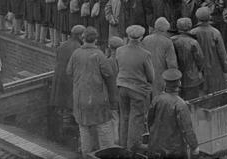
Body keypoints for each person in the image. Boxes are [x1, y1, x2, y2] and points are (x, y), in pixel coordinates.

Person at [66, 27, 118, 156]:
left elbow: (69, 71)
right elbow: (108, 73)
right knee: (104, 129)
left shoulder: (76, 53)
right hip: (98, 99)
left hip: (80, 99)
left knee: (84, 130)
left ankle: (87, 156)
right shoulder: (99, 54)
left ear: (83, 38)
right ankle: (106, 155)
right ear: (96, 40)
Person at [115, 24, 154, 152]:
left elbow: (118, 67)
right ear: (141, 37)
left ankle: (123, 144)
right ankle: (134, 146)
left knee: (124, 116)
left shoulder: (119, 50)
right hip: (138, 90)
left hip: (122, 87)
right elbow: (151, 77)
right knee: (136, 118)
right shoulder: (145, 54)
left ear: (128, 36)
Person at [147, 68, 200, 158]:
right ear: (179, 83)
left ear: (165, 84)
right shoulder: (180, 105)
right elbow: (187, 129)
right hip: (174, 151)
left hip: (155, 149)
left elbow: (149, 122)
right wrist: (194, 147)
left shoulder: (156, 99)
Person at [50, 24, 85, 142]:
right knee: (72, 104)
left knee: (64, 104)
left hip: (60, 78)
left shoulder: (63, 44)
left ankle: (64, 128)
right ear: (79, 36)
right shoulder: (78, 48)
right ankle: (71, 132)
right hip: (70, 79)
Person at [190, 6, 227, 93]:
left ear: (197, 18)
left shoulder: (192, 33)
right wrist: (225, 69)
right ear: (209, 17)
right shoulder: (215, 32)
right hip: (215, 70)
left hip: (198, 70)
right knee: (215, 94)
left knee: (201, 94)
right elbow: (222, 54)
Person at [142, 17, 178, 96]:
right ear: (166, 29)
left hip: (147, 74)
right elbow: (172, 64)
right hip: (161, 76)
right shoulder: (168, 42)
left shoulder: (146, 39)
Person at [172, 17, 205, 100]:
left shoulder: (172, 40)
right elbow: (200, 59)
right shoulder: (193, 42)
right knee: (193, 101)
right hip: (192, 78)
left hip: (177, 77)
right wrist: (201, 71)